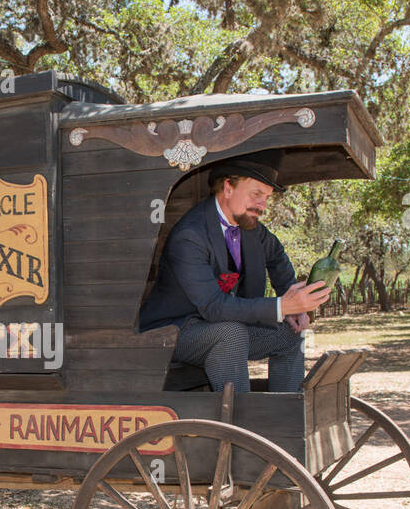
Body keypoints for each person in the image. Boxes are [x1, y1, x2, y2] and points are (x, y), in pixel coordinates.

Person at [138, 150, 331, 393]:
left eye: (267, 197)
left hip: (219, 325)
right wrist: (282, 306)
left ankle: (285, 416)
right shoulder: (190, 236)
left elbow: (277, 257)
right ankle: (240, 422)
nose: (262, 205)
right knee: (230, 334)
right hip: (173, 333)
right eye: (256, 194)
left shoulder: (250, 228)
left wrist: (293, 305)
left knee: (289, 333)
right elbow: (213, 306)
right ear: (228, 188)